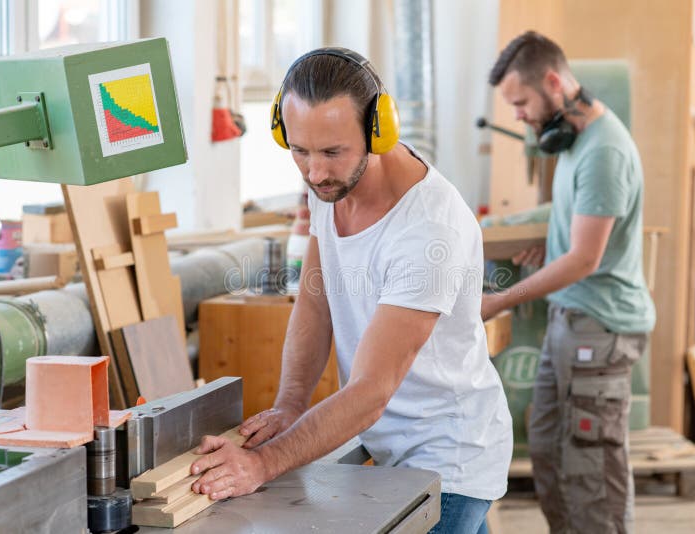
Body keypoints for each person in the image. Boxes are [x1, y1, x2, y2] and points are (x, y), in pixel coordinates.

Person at [189, 47, 513, 533]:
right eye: (300, 151)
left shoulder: (429, 231)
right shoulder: (328, 190)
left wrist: (261, 464)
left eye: (332, 152)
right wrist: (291, 403)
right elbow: (316, 303)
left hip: (451, 455)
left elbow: (369, 391)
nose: (315, 171)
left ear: (379, 131)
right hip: (388, 446)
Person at [482, 31, 656, 534]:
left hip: (599, 328)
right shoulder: (576, 140)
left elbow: (584, 258)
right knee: (548, 448)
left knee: (591, 471)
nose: (517, 115)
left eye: (520, 102)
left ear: (553, 82)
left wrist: (499, 301)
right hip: (569, 318)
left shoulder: (604, 151)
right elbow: (576, 222)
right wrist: (547, 240)